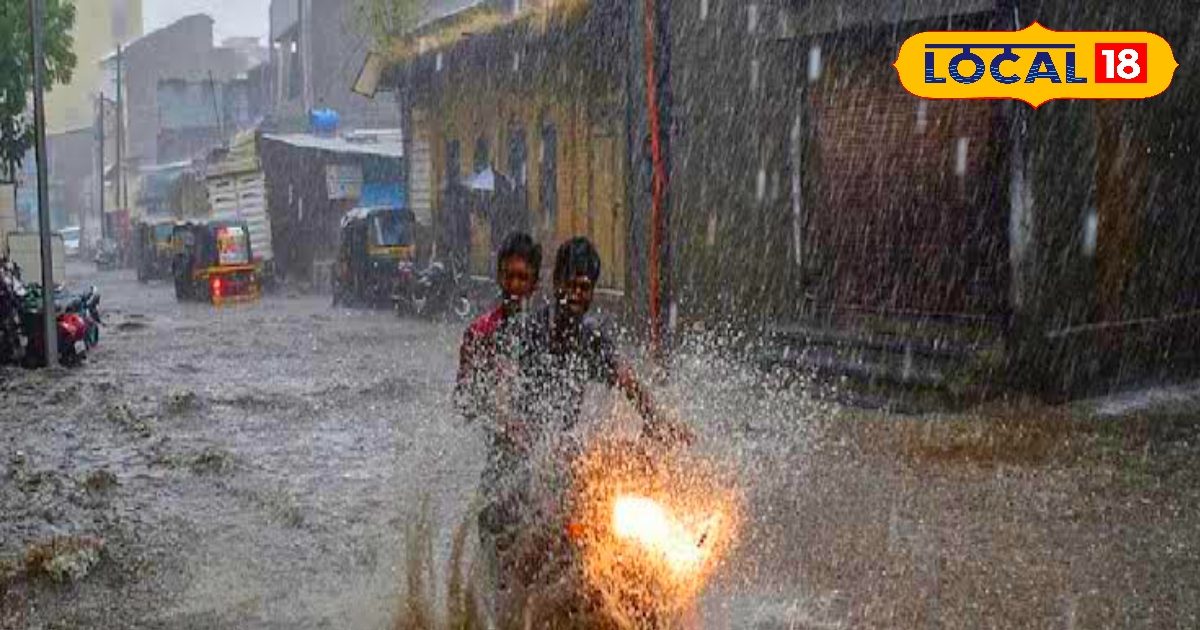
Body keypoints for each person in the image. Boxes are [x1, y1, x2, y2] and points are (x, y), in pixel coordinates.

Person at [452, 231, 542, 628]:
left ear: (535, 283)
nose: (515, 286)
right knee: (498, 569)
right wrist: (498, 414)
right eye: (509, 276)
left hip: (541, 472)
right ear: (499, 277)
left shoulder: (546, 335)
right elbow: (463, 403)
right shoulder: (480, 335)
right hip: (499, 470)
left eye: (523, 279)